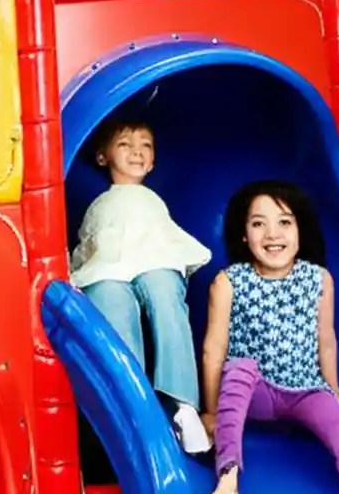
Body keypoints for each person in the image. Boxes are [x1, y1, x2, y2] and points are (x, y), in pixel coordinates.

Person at [202, 181, 339, 494]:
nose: (272, 234)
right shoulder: (229, 282)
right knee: (239, 368)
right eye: (259, 224)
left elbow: (325, 339)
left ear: (300, 230)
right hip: (254, 393)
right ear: (244, 235)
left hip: (305, 390)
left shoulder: (318, 279)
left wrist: (334, 390)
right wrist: (213, 412)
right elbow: (213, 350)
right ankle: (228, 475)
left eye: (284, 222)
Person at [70, 120, 213, 453]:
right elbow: (91, 251)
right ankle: (135, 408)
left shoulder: (152, 202)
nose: (136, 150)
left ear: (152, 162)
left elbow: (166, 244)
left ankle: (183, 405)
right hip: (108, 267)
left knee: (165, 295)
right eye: (124, 144)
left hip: (154, 261)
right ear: (103, 157)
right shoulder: (100, 205)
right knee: (111, 303)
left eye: (145, 145)